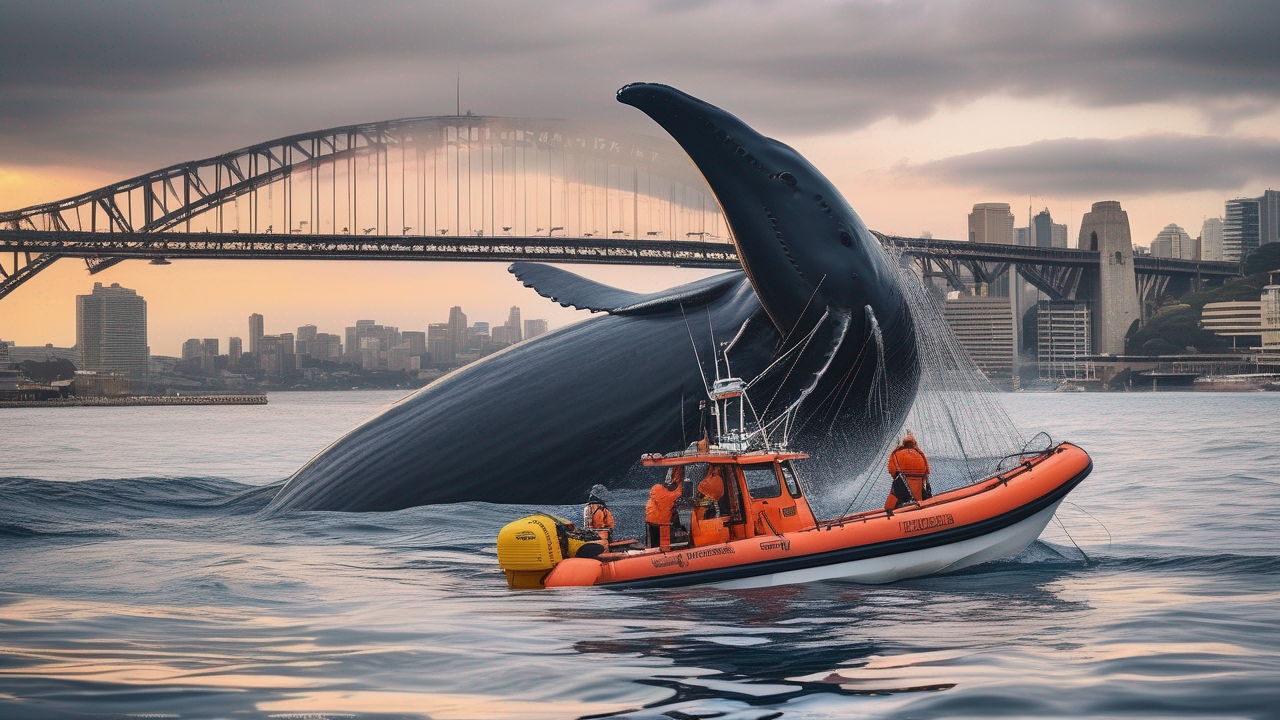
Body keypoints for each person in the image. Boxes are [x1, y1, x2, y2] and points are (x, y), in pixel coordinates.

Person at [884, 431, 931, 515]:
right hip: (918, 487)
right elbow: (926, 471)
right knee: (919, 501)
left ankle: (888, 512)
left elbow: (892, 470)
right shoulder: (919, 453)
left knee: (894, 495)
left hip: (902, 485)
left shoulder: (896, 453)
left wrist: (897, 476)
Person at [646, 467, 685, 547]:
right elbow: (678, 491)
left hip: (651, 521)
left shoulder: (656, 489)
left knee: (651, 545)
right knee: (663, 545)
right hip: (663, 524)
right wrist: (680, 480)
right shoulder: (669, 496)